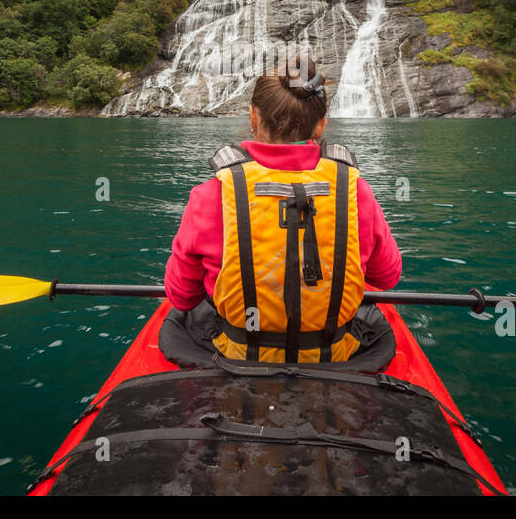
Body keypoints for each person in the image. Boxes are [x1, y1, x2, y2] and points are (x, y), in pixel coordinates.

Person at [164, 54, 402, 363]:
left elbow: (181, 295)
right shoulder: (356, 190)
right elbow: (388, 277)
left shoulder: (211, 194)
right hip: (333, 355)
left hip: (238, 356)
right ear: (321, 125)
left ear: (253, 118)